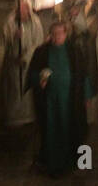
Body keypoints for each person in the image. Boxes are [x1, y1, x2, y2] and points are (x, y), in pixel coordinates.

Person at [27, 21, 93, 176]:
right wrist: (39, 80)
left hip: (70, 99)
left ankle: (70, 160)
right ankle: (51, 160)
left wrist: (87, 94)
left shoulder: (74, 51)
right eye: (54, 34)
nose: (57, 37)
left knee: (69, 127)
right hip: (49, 101)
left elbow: (83, 74)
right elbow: (32, 74)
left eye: (60, 33)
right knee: (51, 129)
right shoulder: (42, 52)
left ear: (65, 34)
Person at [0, 0, 44, 129]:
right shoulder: (10, 22)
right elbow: (6, 40)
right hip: (13, 63)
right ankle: (13, 116)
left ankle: (28, 116)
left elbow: (38, 42)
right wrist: (14, 37)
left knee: (27, 90)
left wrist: (26, 56)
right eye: (19, 11)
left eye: (24, 10)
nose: (22, 13)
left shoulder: (35, 22)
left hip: (29, 62)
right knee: (14, 89)